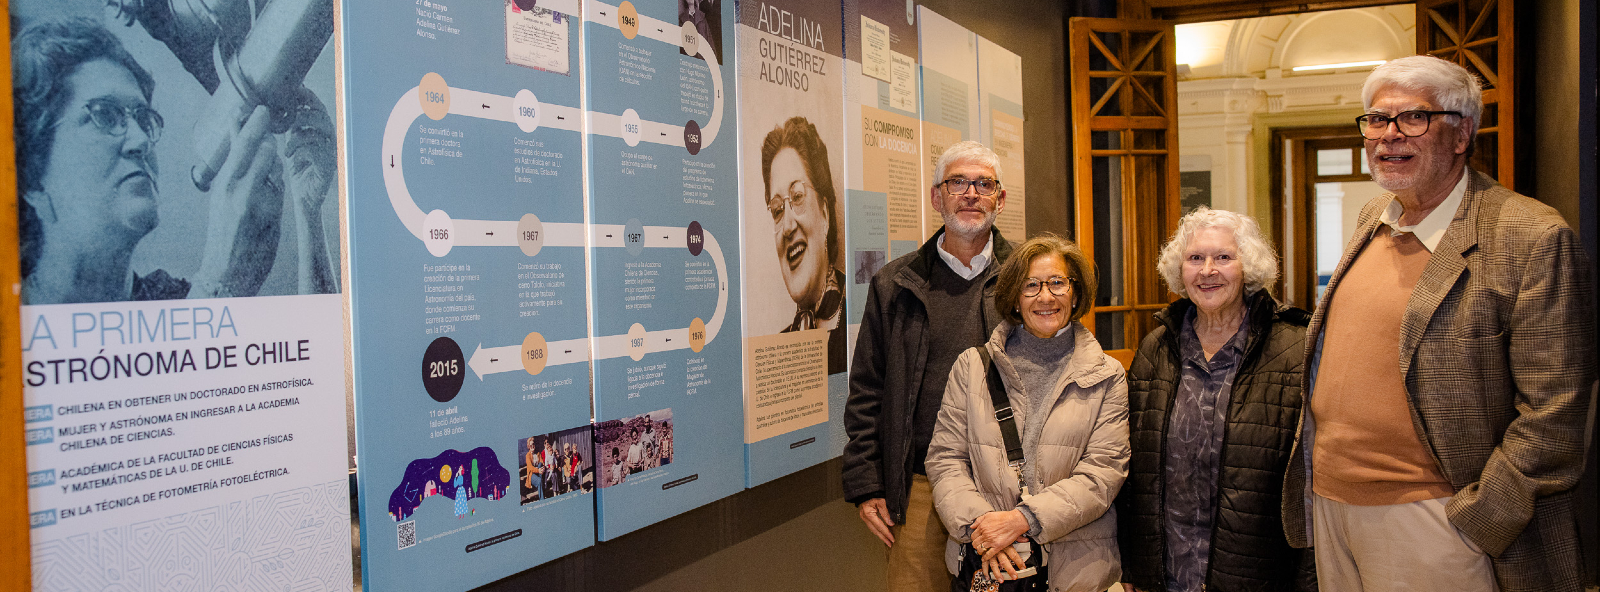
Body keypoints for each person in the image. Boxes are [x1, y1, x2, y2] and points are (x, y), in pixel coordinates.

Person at [1284, 55, 1596, 592]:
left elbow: (1556, 413)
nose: (1388, 136)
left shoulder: (1531, 236)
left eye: (1413, 118)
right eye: (1377, 120)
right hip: (1332, 505)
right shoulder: (1372, 217)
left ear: (1461, 133)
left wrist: (1478, 522)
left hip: (1436, 518)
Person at [11, 17, 313, 303]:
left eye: (144, 119)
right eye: (104, 114)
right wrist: (221, 282)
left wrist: (308, 212)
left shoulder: (175, 298)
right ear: (33, 174)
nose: (141, 140)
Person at [843, 140, 1013, 591]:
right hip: (918, 486)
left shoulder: (1027, 279)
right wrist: (867, 484)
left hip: (1006, 487)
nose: (971, 194)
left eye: (983, 184)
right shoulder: (895, 285)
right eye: (958, 182)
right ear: (937, 197)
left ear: (1000, 198)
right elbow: (866, 391)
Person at [1115, 208, 1315, 592]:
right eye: (1195, 258)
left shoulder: (1292, 349)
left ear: (1248, 267)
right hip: (1167, 573)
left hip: (1258, 575)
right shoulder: (1156, 347)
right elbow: (1134, 472)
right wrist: (1135, 569)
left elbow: (1311, 479)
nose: (1208, 270)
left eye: (1223, 257)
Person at [926, 234, 1128, 591]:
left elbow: (1103, 474)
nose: (1045, 296)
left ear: (1075, 293)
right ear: (1015, 299)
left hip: (1075, 570)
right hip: (989, 561)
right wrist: (986, 528)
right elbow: (945, 459)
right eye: (1031, 285)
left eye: (1057, 283)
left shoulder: (1107, 375)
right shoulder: (972, 367)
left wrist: (1023, 520)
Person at [760, 116, 847, 374]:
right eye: (777, 210)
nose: (787, 226)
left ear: (825, 213)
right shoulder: (779, 353)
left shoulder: (862, 322)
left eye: (797, 196)